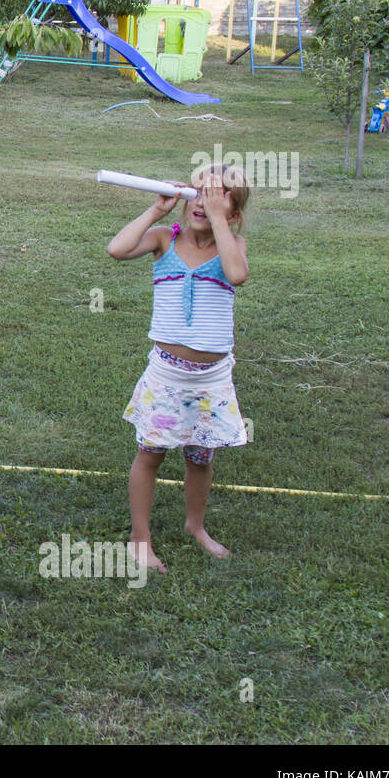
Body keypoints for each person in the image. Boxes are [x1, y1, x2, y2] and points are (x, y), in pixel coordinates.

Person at [106, 164, 250, 573]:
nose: (203, 201)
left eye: (217, 197)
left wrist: (219, 219)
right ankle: (140, 539)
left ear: (233, 214)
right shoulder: (163, 239)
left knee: (200, 458)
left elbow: (237, 275)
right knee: (149, 454)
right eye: (200, 192)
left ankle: (195, 525)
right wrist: (156, 210)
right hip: (166, 376)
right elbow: (116, 249)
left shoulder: (232, 245)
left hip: (211, 380)